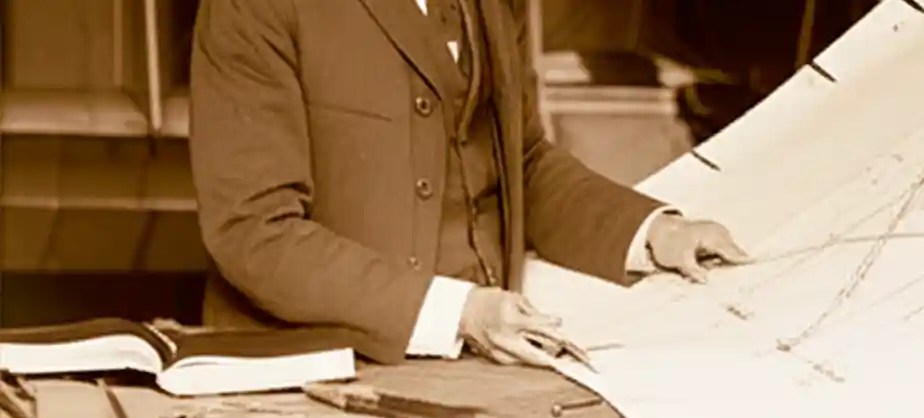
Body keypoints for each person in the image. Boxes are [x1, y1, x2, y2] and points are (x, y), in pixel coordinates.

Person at [188, 0, 749, 369]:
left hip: (482, 372)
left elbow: (522, 162)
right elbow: (254, 230)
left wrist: (654, 232)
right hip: (311, 378)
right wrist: (458, 312)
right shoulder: (253, 6)